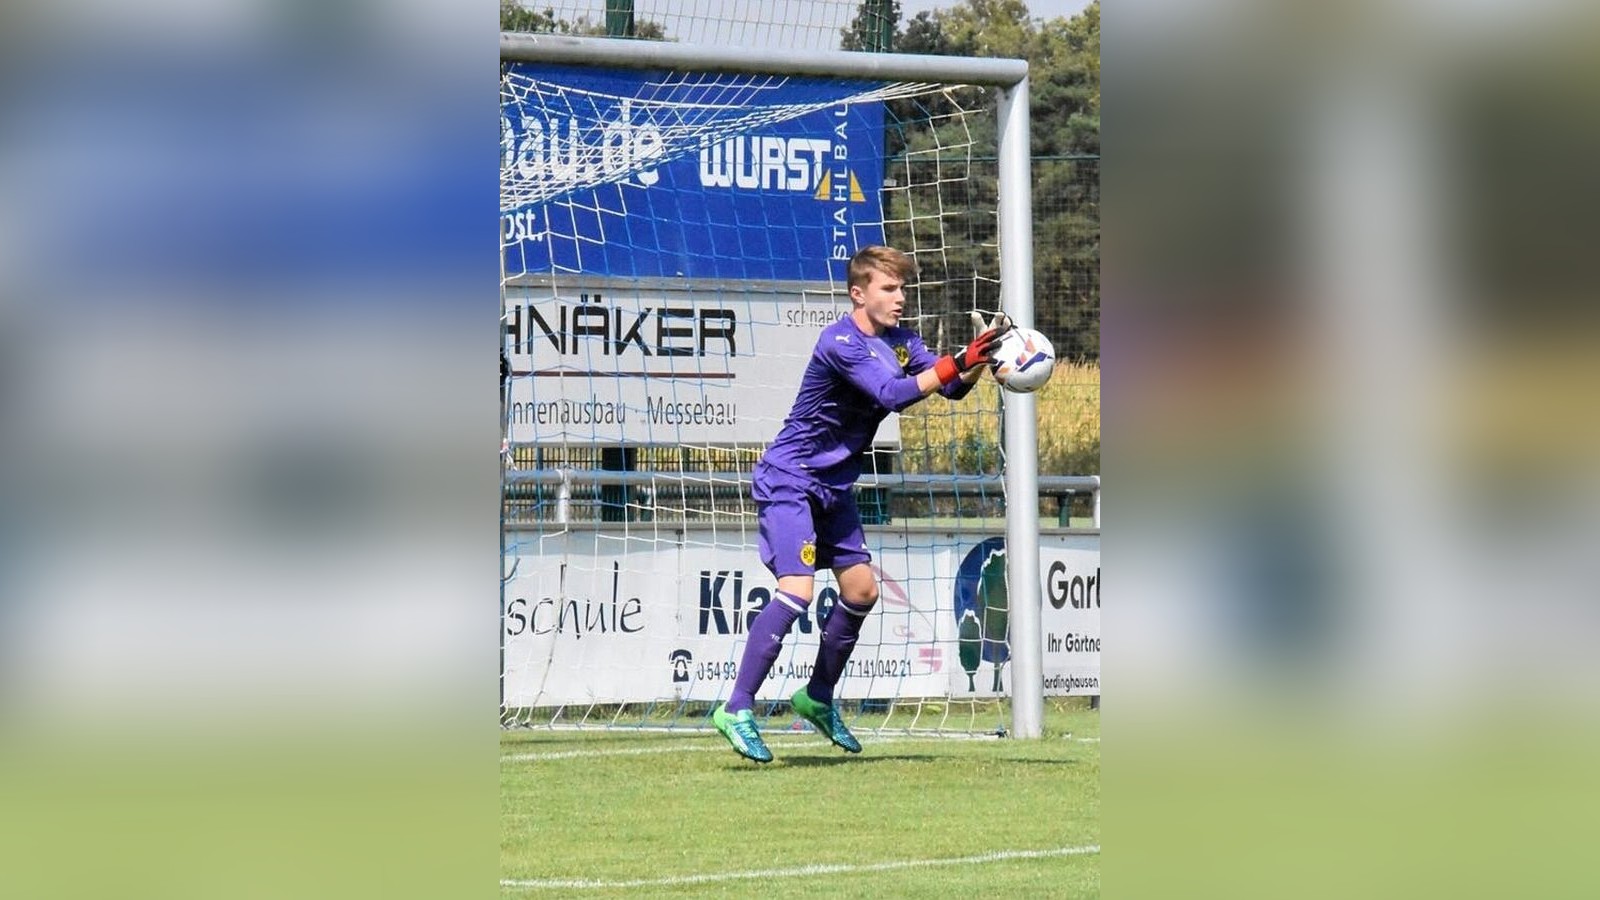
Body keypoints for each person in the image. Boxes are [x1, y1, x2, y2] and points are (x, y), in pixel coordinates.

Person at [712, 245, 1009, 763]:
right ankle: (736, 707)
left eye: (902, 288)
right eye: (889, 288)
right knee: (797, 591)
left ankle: (817, 697)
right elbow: (893, 395)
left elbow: (951, 389)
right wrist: (960, 359)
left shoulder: (902, 341)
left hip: (835, 487)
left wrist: (979, 361)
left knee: (862, 589)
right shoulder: (839, 342)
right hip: (791, 479)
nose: (900, 297)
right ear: (858, 293)